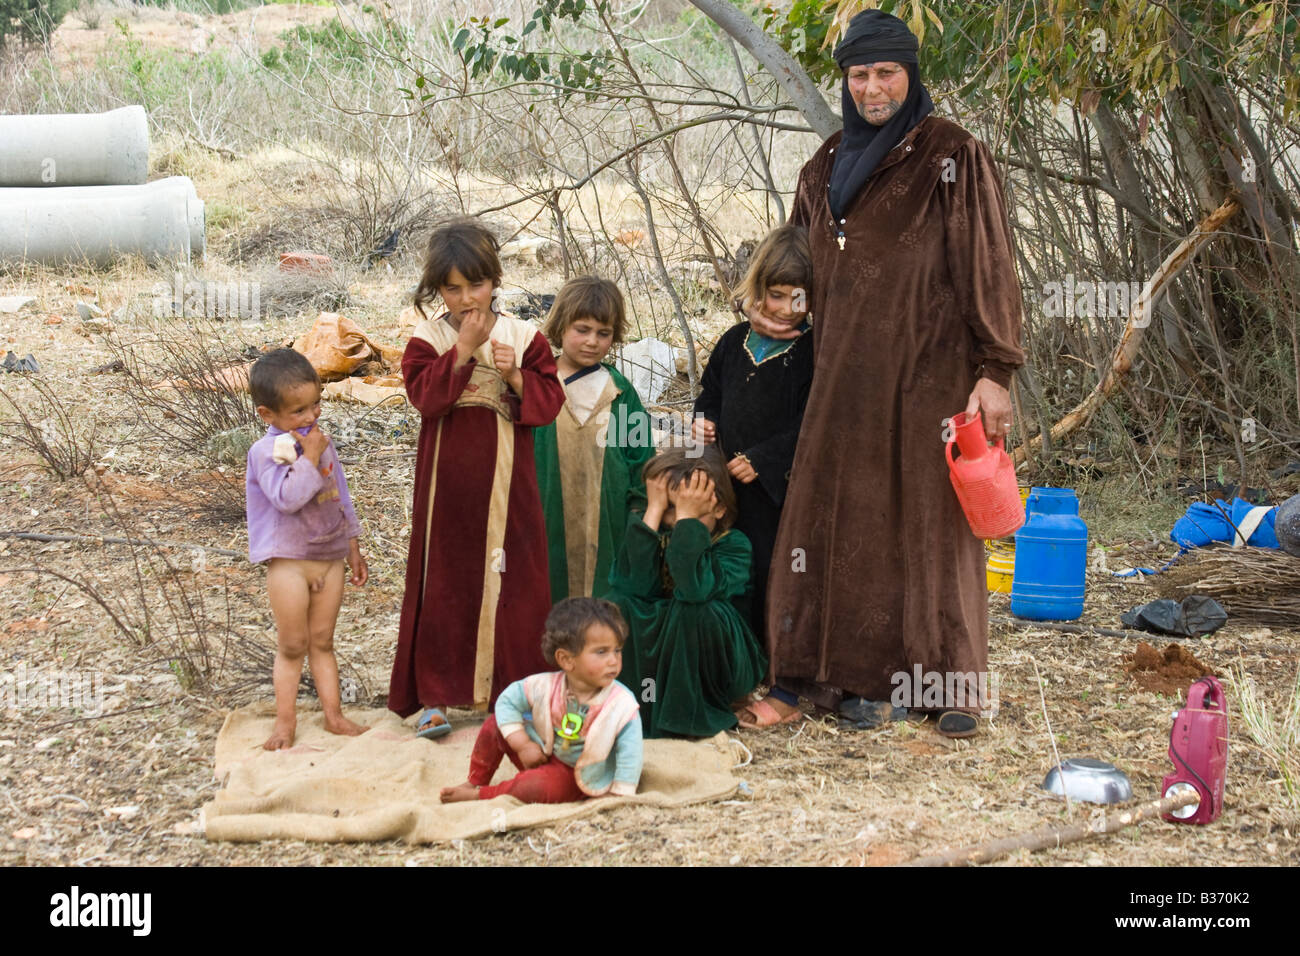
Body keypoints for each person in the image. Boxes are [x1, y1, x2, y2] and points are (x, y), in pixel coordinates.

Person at [758, 9, 1025, 738]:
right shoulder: (825, 163)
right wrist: (772, 316)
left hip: (929, 373)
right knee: (844, 522)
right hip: (839, 379)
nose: (873, 88)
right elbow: (795, 266)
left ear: (910, 76)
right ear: (845, 81)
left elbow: (989, 264)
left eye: (886, 73)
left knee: (929, 526)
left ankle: (950, 686)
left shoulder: (951, 154)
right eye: (859, 75)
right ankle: (848, 679)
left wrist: (994, 368)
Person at [389, 219, 566, 738]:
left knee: (517, 586)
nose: (467, 297)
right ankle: (436, 698)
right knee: (444, 584)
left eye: (477, 284)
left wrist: (516, 377)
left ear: (495, 281)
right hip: (448, 495)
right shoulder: (428, 338)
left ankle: (514, 697)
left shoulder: (525, 337)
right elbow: (426, 399)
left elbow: (548, 404)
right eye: (452, 287)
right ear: (437, 290)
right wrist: (462, 351)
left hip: (512, 492)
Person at [690, 226, 814, 729]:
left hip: (777, 494)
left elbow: (812, 421)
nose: (786, 307)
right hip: (728, 492)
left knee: (774, 577)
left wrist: (765, 458)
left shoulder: (812, 352)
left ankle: (780, 673)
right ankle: (737, 670)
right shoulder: (731, 342)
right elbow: (711, 393)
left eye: (797, 296)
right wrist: (703, 418)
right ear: (756, 289)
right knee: (735, 577)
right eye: (775, 294)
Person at [245, 348, 369, 751]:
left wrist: (352, 544)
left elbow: (340, 495)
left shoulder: (319, 442)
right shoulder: (266, 453)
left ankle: (333, 715)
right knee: (293, 644)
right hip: (290, 562)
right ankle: (285, 722)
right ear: (268, 415)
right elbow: (287, 499)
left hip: (329, 555)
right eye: (297, 411)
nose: (311, 417)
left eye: (315, 404)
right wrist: (309, 460)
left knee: (323, 640)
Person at [606, 446, 768, 738]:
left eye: (686, 510)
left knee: (693, 609)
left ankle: (688, 719)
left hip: (722, 662)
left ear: (719, 509)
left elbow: (694, 589)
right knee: (621, 603)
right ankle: (635, 708)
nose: (674, 521)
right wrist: (653, 511)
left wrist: (687, 523)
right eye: (669, 508)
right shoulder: (657, 527)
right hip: (664, 658)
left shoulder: (735, 544)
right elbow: (631, 587)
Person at [440, 597, 642, 803]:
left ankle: (480, 795)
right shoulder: (545, 685)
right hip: (540, 753)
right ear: (566, 660)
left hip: (579, 775)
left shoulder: (621, 704)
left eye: (617, 650)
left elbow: (631, 752)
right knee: (495, 724)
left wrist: (620, 793)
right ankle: (476, 781)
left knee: (535, 786)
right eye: (602, 652)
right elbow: (506, 702)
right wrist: (523, 744)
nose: (613, 660)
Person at [534, 276, 656, 603]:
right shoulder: (537, 384)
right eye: (582, 330)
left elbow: (641, 458)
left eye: (603, 333)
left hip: (608, 522)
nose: (592, 342)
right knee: (547, 597)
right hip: (546, 515)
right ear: (560, 327)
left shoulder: (618, 392)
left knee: (603, 605)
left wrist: (638, 512)